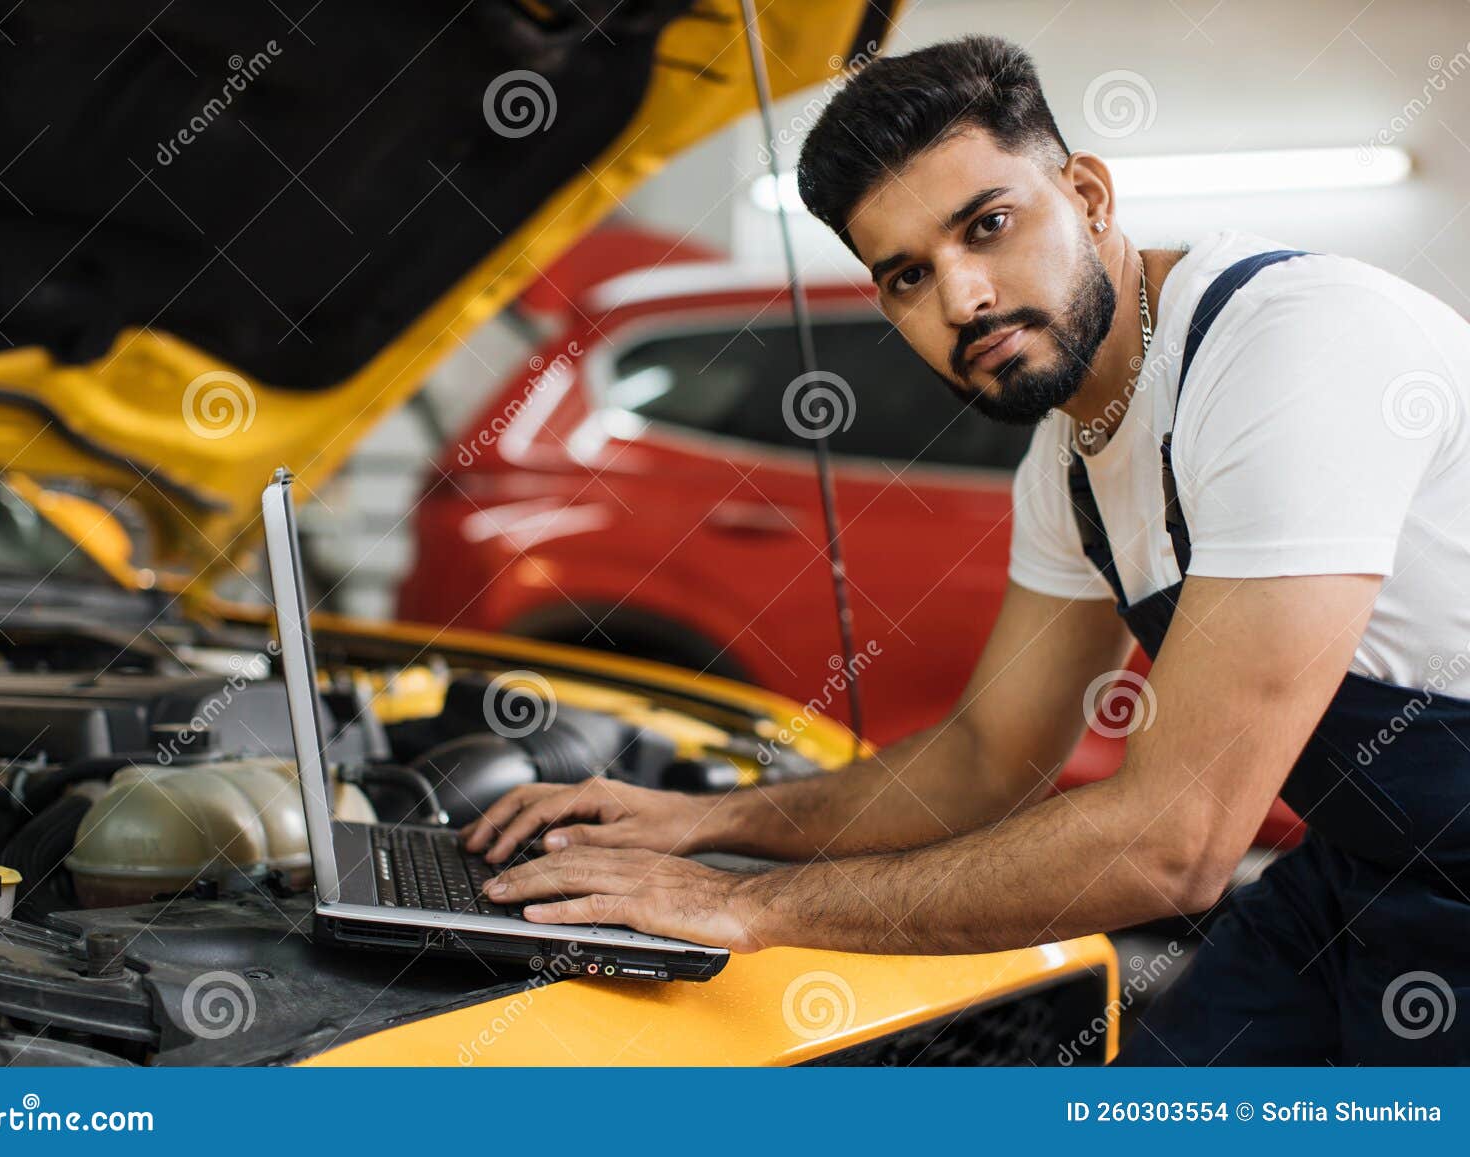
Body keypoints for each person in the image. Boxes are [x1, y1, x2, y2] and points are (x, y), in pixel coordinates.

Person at [461, 35, 1470, 1064]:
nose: (962, 299)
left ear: (1086, 193)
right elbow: (986, 757)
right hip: (1364, 872)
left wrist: (743, 905)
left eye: (987, 225)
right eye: (906, 275)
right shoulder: (1068, 461)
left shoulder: (1291, 350)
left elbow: (1174, 843)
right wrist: (696, 821)